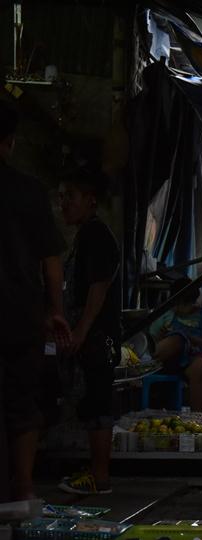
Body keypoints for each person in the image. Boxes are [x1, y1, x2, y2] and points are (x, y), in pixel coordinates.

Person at [0, 102, 69, 501]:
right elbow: (52, 263)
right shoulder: (29, 191)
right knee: (23, 404)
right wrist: (55, 310)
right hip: (22, 315)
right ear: (10, 141)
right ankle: (23, 489)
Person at [57, 168, 121, 495]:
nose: (63, 203)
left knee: (98, 403)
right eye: (62, 196)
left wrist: (81, 331)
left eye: (70, 196)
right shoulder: (85, 235)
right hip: (90, 335)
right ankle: (95, 471)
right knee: (90, 403)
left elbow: (99, 286)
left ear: (90, 200)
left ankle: (100, 477)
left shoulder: (96, 234)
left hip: (97, 337)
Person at [149, 278, 202, 411]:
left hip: (193, 358)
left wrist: (194, 340)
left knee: (201, 367)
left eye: (186, 304)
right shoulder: (167, 313)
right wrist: (162, 336)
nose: (182, 308)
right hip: (167, 360)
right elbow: (152, 340)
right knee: (177, 339)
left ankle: (197, 418)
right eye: (178, 304)